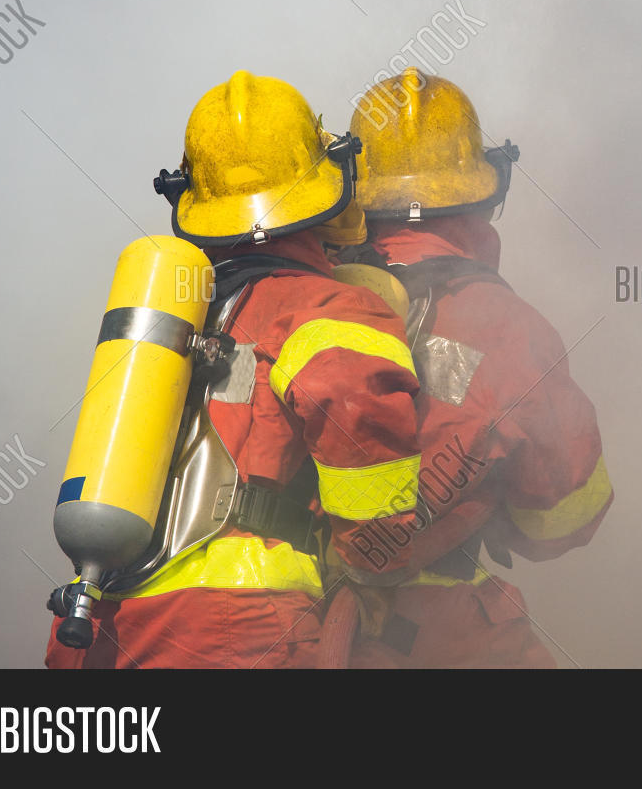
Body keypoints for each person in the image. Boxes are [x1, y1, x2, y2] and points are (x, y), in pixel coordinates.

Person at [46, 71, 420, 670]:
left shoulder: (178, 308)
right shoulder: (324, 307)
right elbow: (358, 427)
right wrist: (375, 563)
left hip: (106, 627)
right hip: (237, 634)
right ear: (329, 177)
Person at [338, 68, 611, 669]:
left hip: (285, 625)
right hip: (433, 633)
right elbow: (562, 519)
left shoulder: (303, 297)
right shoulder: (509, 329)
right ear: (482, 192)